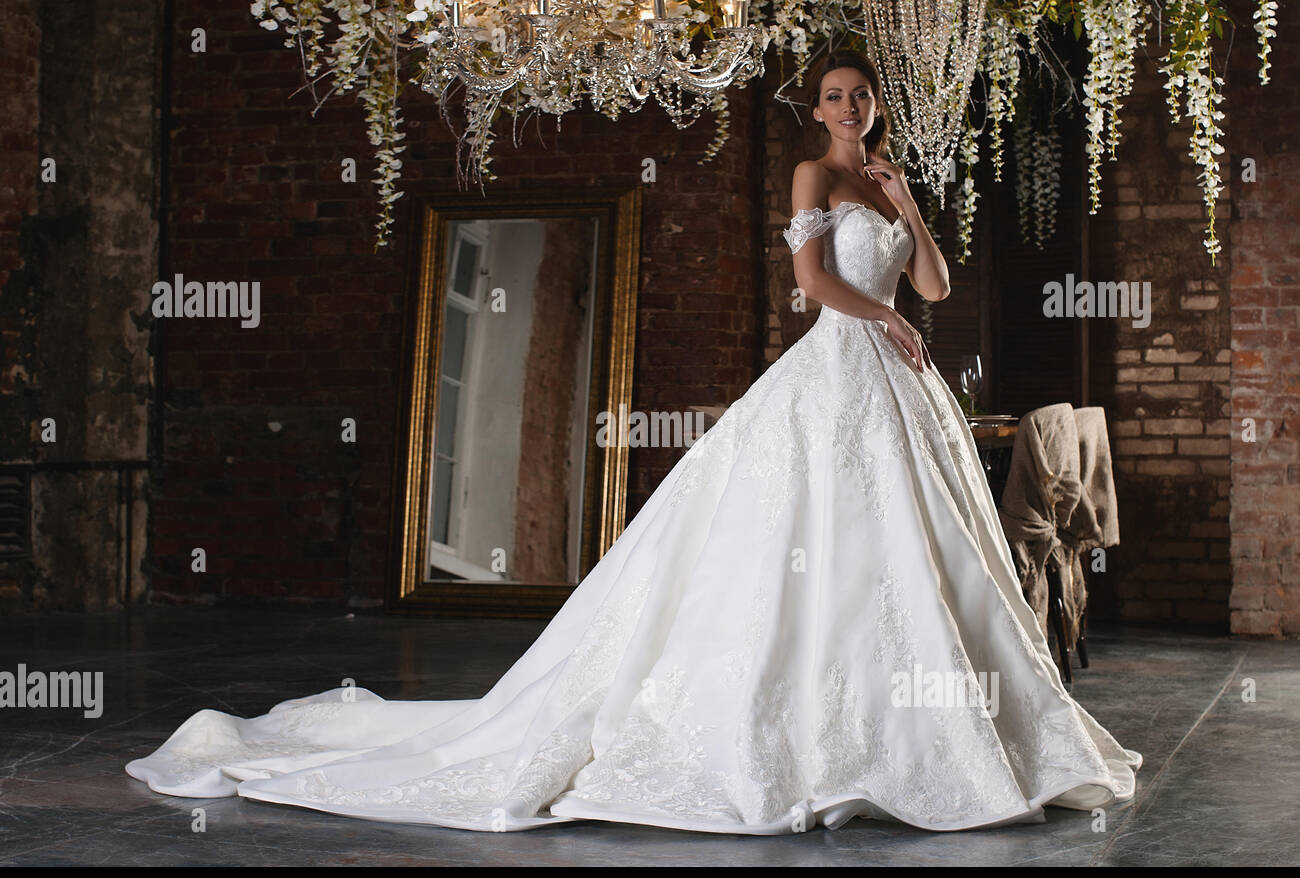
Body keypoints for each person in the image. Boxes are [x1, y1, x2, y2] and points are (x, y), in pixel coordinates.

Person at [126, 51, 1141, 835]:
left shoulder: (885, 181)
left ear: (875, 107)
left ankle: (941, 726)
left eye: (859, 96)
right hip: (844, 363)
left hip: (899, 376)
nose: (847, 108)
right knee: (812, 530)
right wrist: (884, 324)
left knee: (920, 543)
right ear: (816, 107)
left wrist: (914, 212)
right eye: (833, 95)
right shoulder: (804, 175)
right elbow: (815, 291)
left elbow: (935, 288)